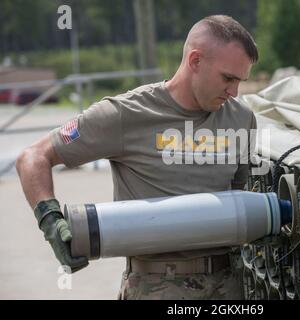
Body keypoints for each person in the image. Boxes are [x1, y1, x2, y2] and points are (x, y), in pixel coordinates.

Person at [16, 15, 259, 300]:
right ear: (195, 61)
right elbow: (33, 156)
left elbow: (242, 194)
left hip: (231, 288)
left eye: (241, 81)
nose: (234, 92)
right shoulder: (125, 114)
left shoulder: (242, 118)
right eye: (228, 78)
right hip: (156, 287)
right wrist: (51, 222)